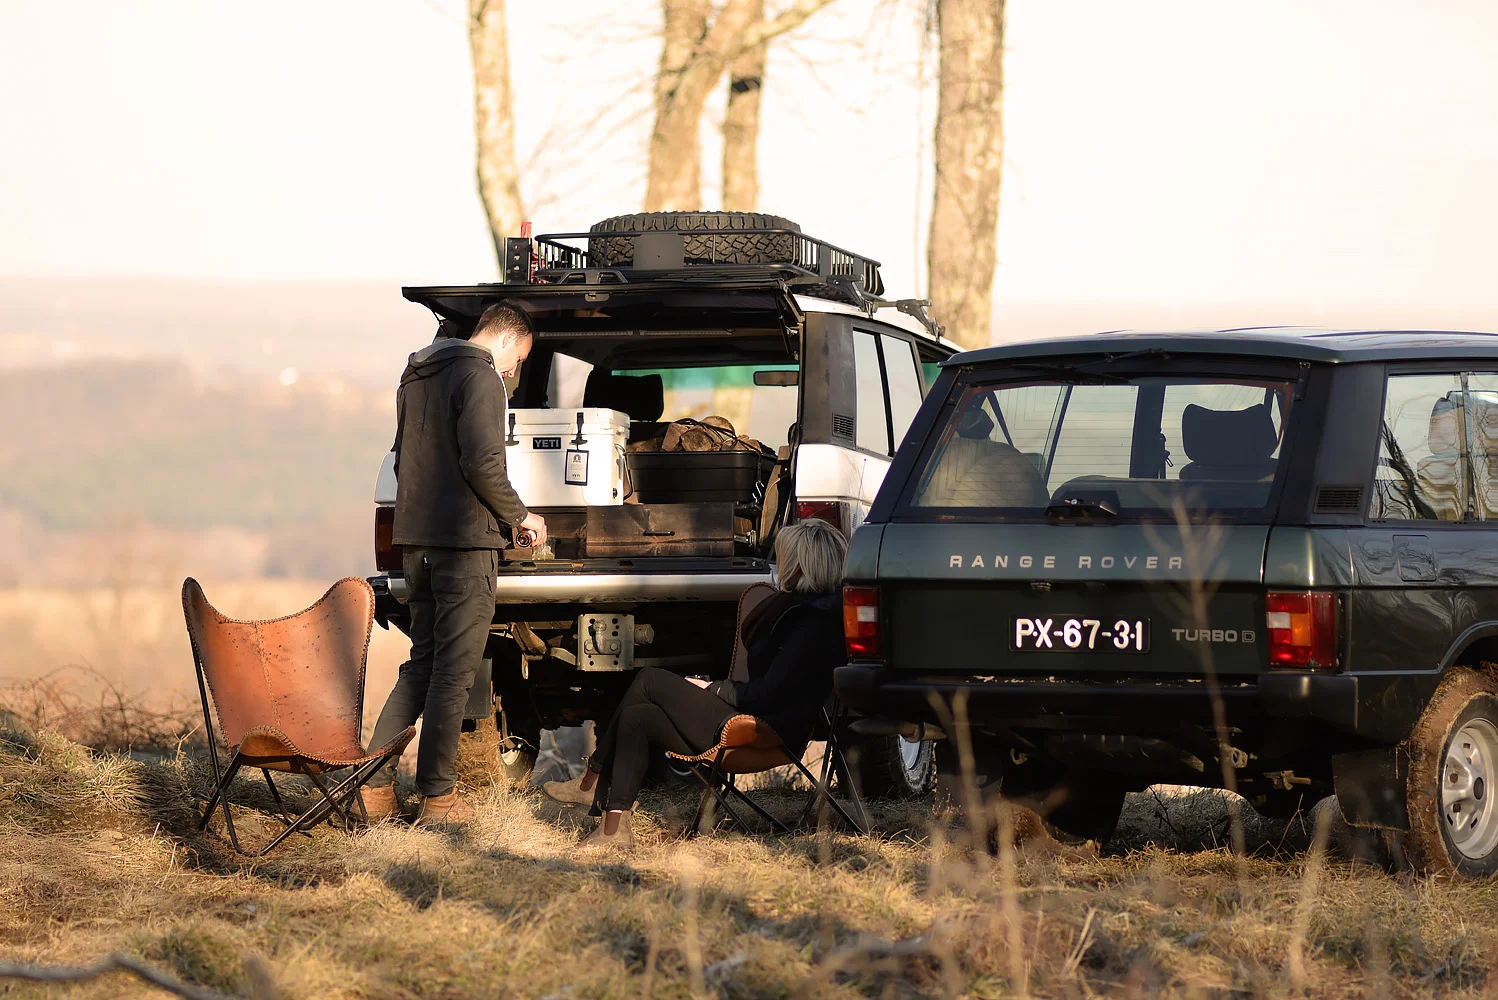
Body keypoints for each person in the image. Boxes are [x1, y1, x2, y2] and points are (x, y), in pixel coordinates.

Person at [542, 519, 848, 852]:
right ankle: (613, 830)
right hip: (752, 715)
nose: (779, 565)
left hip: (766, 730)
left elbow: (770, 694)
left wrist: (714, 689)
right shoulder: (804, 613)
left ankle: (591, 780)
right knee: (639, 717)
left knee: (648, 680)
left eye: (786, 557)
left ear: (802, 563)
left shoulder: (813, 624)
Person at [361, 302, 549, 829]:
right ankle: (439, 798)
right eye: (519, 360)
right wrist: (521, 517)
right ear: (509, 341)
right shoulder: (481, 376)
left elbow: (402, 460)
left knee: (421, 665)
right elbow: (482, 463)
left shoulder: (415, 374)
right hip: (465, 548)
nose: (514, 371)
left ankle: (372, 787)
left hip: (416, 544)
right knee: (452, 674)